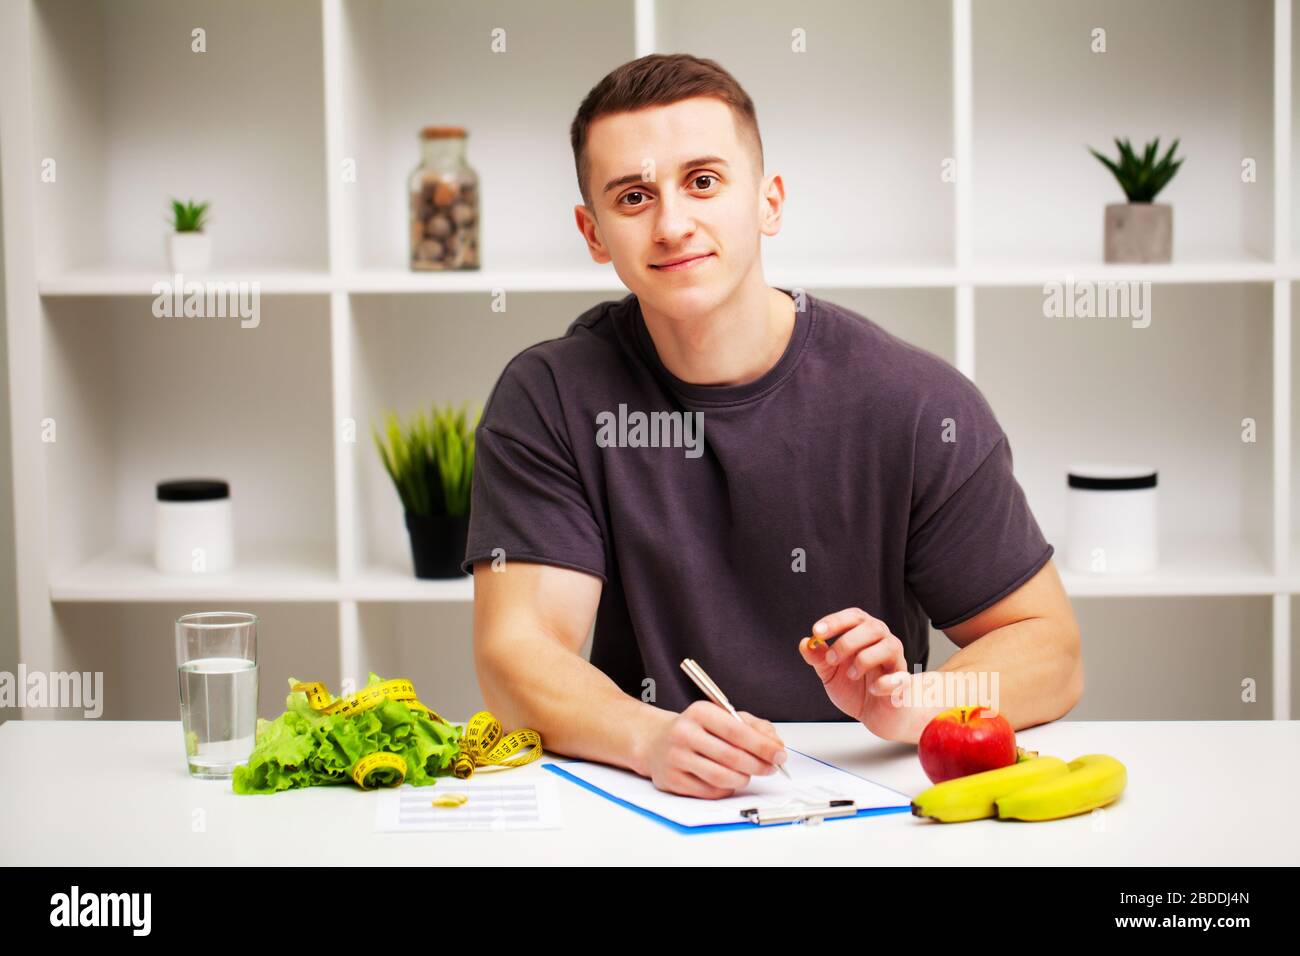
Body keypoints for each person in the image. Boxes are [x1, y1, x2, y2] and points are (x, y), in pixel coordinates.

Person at [463, 53, 1081, 799]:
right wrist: (649, 736)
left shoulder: (915, 402)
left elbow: (1051, 651)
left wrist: (907, 703)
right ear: (593, 234)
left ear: (769, 202)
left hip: (870, 797)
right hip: (652, 799)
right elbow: (518, 651)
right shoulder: (551, 397)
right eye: (633, 197)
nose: (673, 224)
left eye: (703, 181)